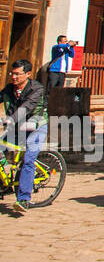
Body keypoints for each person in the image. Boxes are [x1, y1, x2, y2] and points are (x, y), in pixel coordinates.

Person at [0, 60, 47, 215]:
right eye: (12, 73)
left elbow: (26, 107)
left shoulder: (36, 88)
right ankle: (4, 184)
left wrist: (10, 119)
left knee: (28, 159)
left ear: (28, 74)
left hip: (36, 125)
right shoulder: (9, 89)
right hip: (17, 126)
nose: (13, 77)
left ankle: (24, 199)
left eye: (17, 74)